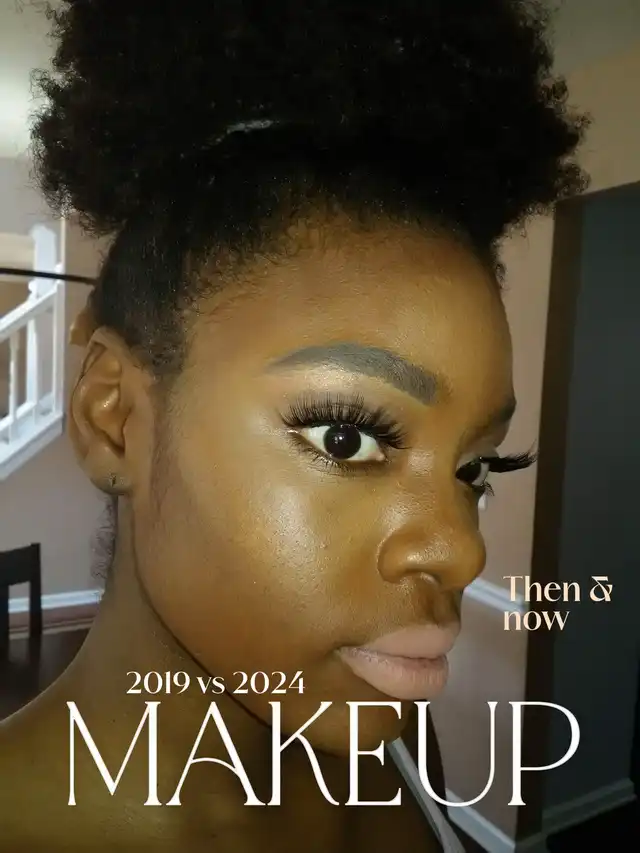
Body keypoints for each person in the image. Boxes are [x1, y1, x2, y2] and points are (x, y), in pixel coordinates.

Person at [0, 1, 588, 850]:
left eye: (474, 469)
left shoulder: (394, 760)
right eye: (346, 437)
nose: (462, 551)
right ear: (114, 416)